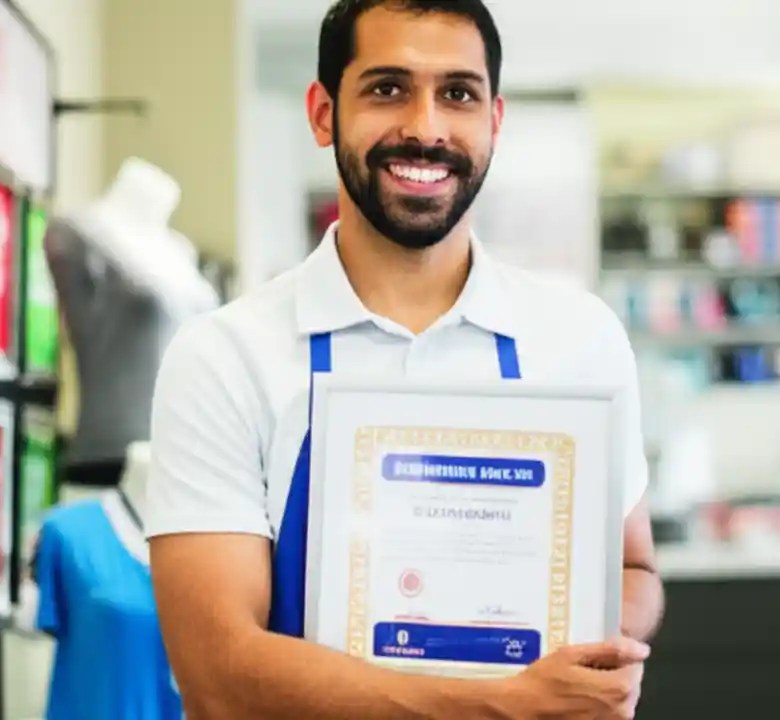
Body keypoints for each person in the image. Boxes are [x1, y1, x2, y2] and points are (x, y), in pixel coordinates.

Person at [145, 1, 665, 717]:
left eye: (458, 93)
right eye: (388, 88)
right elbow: (219, 673)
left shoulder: (581, 338)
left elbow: (634, 569)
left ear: (494, 121)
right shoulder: (225, 359)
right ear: (324, 113)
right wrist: (505, 702)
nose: (425, 128)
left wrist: (595, 655)